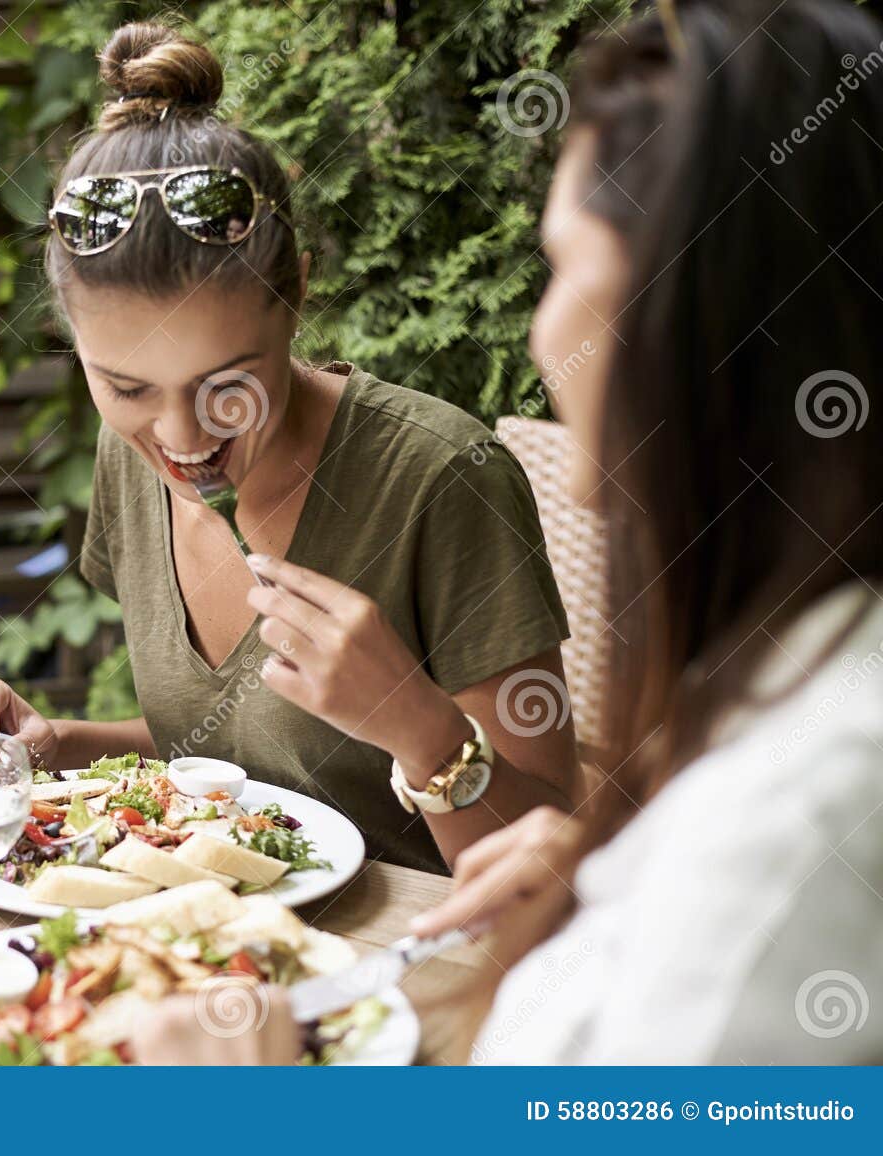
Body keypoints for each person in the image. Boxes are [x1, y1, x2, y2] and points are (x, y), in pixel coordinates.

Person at [134, 0, 883, 1063]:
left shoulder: (793, 819)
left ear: (697, 317)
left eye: (565, 261)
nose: (542, 330)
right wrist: (613, 888)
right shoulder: (787, 705)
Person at [0, 23, 578, 872]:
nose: (181, 440)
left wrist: (414, 723)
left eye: (226, 385)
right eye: (128, 388)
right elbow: (234, 752)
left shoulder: (441, 478)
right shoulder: (125, 462)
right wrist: (56, 744)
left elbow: (557, 861)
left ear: (298, 294)